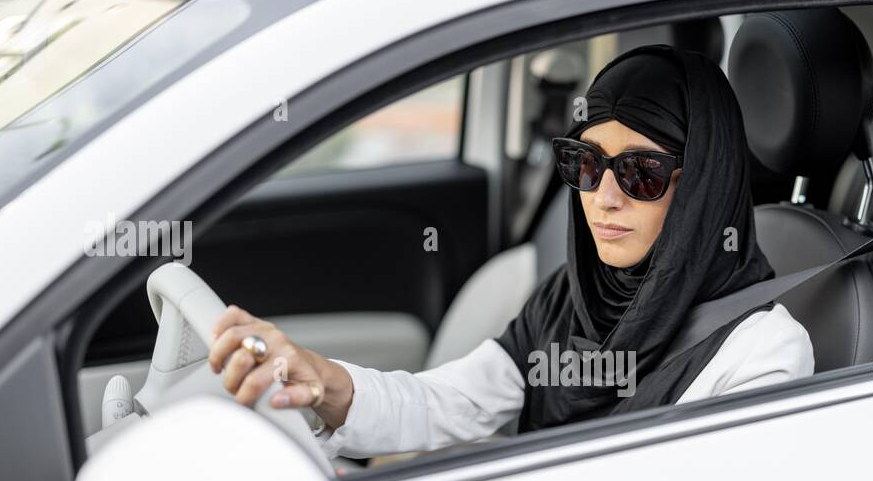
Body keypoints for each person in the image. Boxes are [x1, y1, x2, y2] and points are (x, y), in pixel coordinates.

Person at [208, 44, 814, 459]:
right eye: (586, 164)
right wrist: (326, 383)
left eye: (640, 173)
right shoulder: (569, 298)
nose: (603, 199)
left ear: (703, 183)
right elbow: (454, 401)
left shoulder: (761, 350)